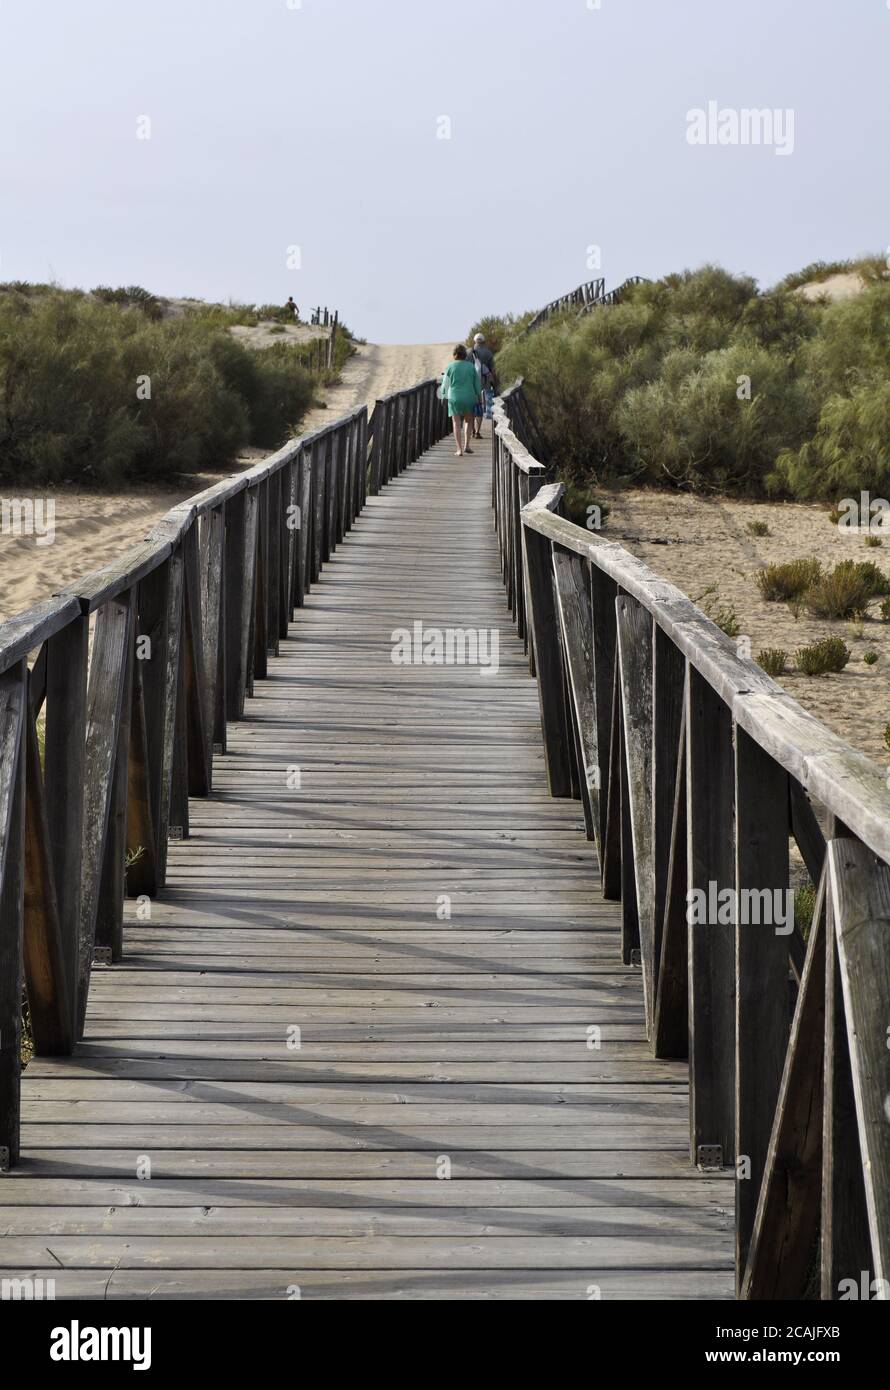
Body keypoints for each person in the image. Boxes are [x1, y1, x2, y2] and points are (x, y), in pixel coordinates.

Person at [441, 344, 482, 457]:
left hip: (454, 398)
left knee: (456, 423)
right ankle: (467, 446)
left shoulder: (450, 367)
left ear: (454, 354)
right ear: (465, 354)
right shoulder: (470, 367)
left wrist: (443, 396)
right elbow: (477, 385)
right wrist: (479, 398)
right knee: (468, 421)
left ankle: (459, 449)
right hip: (469, 397)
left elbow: (445, 385)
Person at [471, 333, 496, 439]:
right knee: (482, 403)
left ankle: (472, 430)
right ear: (484, 341)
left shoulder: (469, 352)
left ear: (474, 341)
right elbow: (492, 369)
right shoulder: (488, 353)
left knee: (472, 405)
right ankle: (478, 430)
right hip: (484, 381)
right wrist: (494, 381)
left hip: (471, 383)